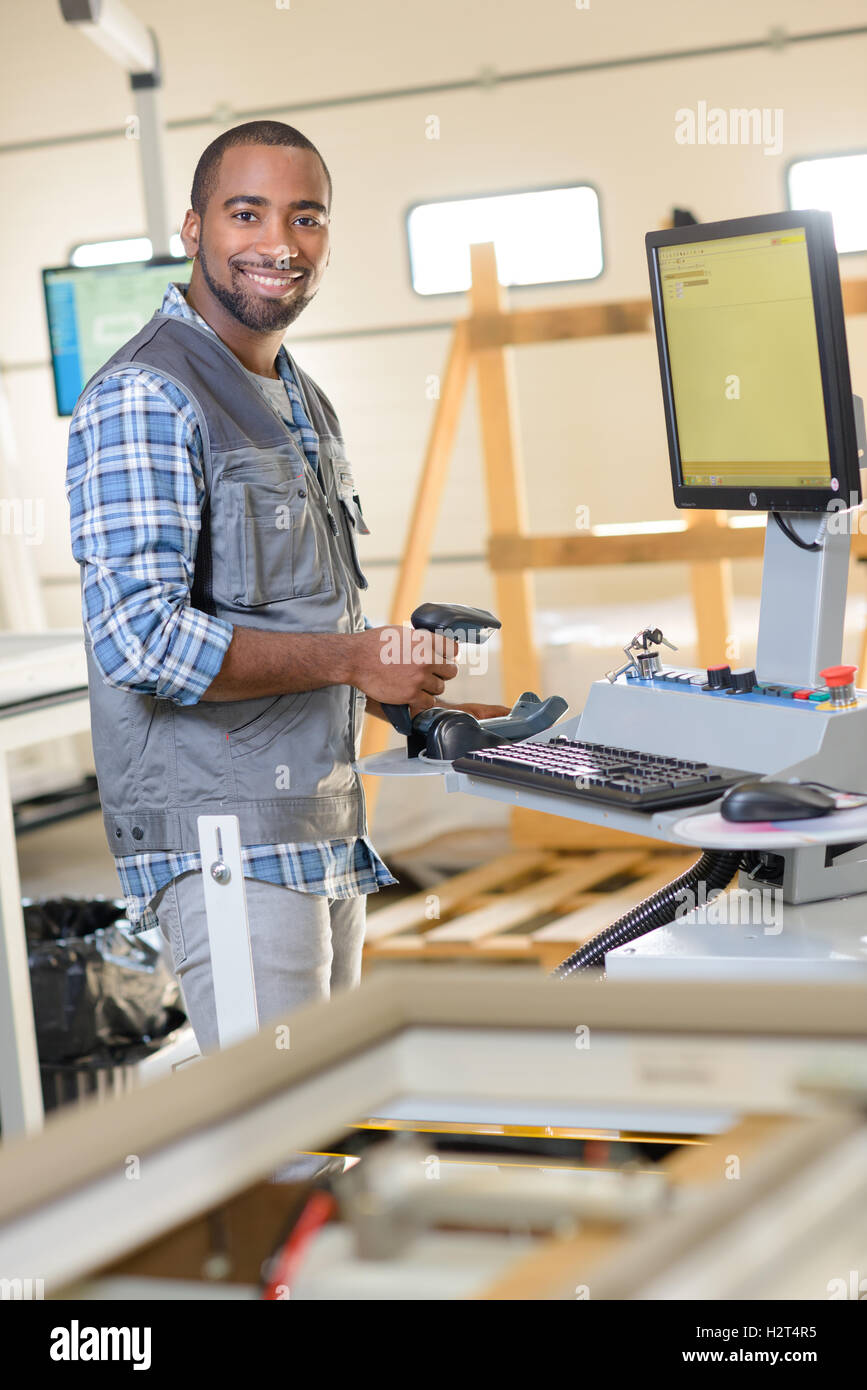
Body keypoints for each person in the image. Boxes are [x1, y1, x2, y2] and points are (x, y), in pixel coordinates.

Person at [66, 120, 508, 1054]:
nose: (279, 242)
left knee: (324, 1116)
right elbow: (143, 643)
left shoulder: (297, 397)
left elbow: (291, 619)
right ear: (193, 228)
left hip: (316, 825)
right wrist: (353, 657)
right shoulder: (147, 395)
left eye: (305, 217)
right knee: (282, 1142)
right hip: (226, 843)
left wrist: (390, 687)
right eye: (246, 213)